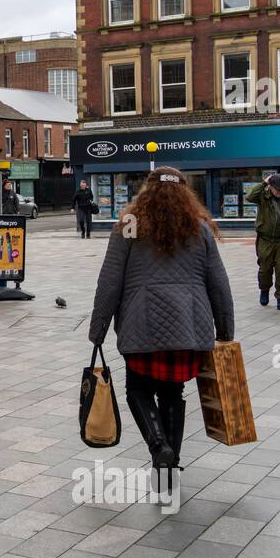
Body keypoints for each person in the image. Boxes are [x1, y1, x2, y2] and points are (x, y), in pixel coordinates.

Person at [89, 166, 235, 482]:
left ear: (146, 191)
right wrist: (225, 332)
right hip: (189, 326)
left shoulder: (129, 225)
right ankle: (169, 466)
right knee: (173, 392)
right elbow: (219, 283)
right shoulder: (199, 227)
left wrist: (98, 329)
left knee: (137, 390)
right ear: (186, 194)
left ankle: (158, 446)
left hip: (140, 324)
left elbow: (110, 281)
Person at [245, 173, 280, 311]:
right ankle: (264, 290)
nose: (278, 192)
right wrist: (263, 183)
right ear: (270, 187)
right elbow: (249, 197)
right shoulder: (263, 197)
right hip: (264, 239)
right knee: (265, 268)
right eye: (276, 189)